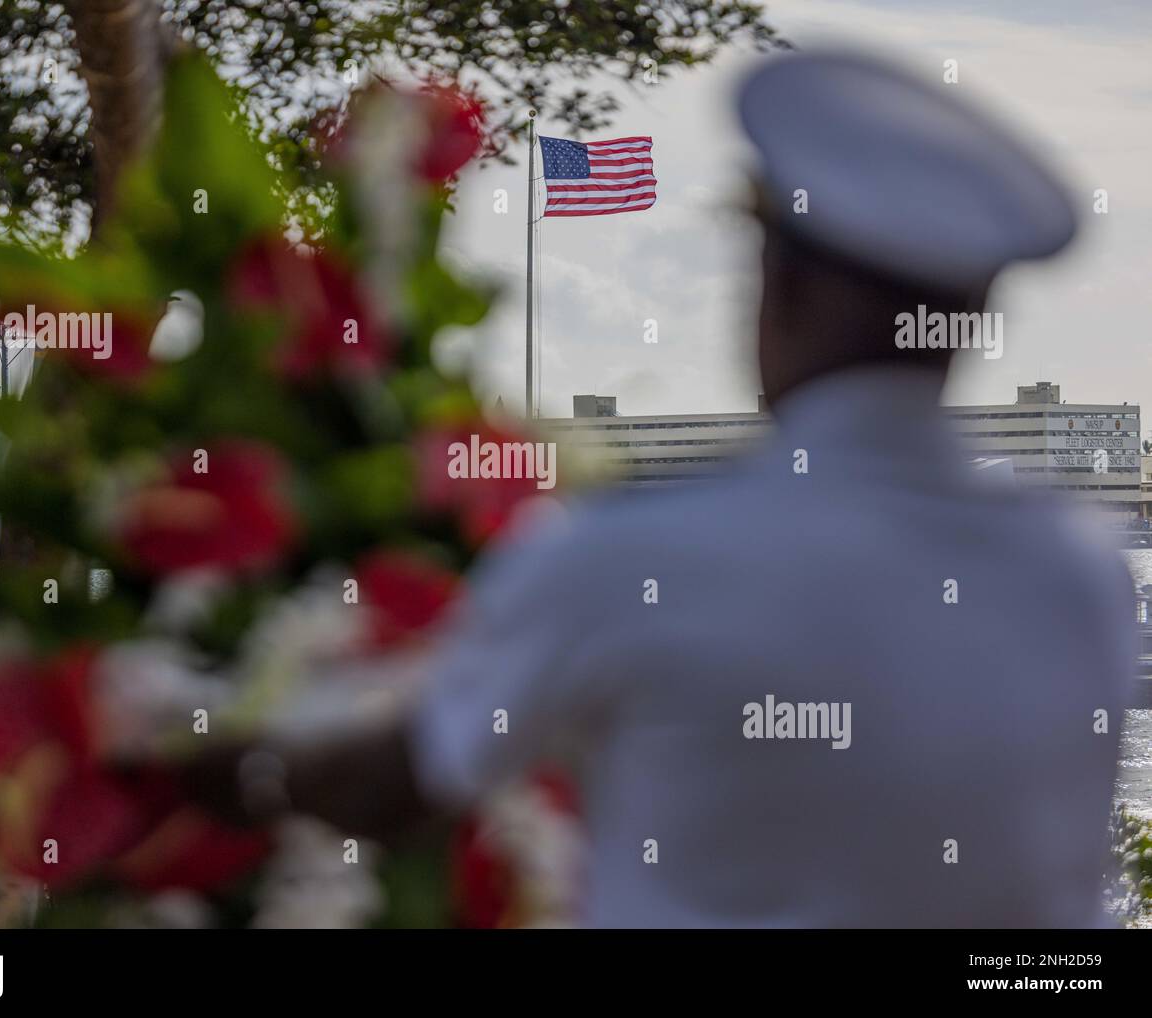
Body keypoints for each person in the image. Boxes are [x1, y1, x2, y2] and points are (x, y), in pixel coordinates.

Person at [190, 50, 1136, 926]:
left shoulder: (636, 554)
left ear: (784, 287)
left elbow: (402, 779)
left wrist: (220, 750)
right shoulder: (1082, 576)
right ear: (970, 318)